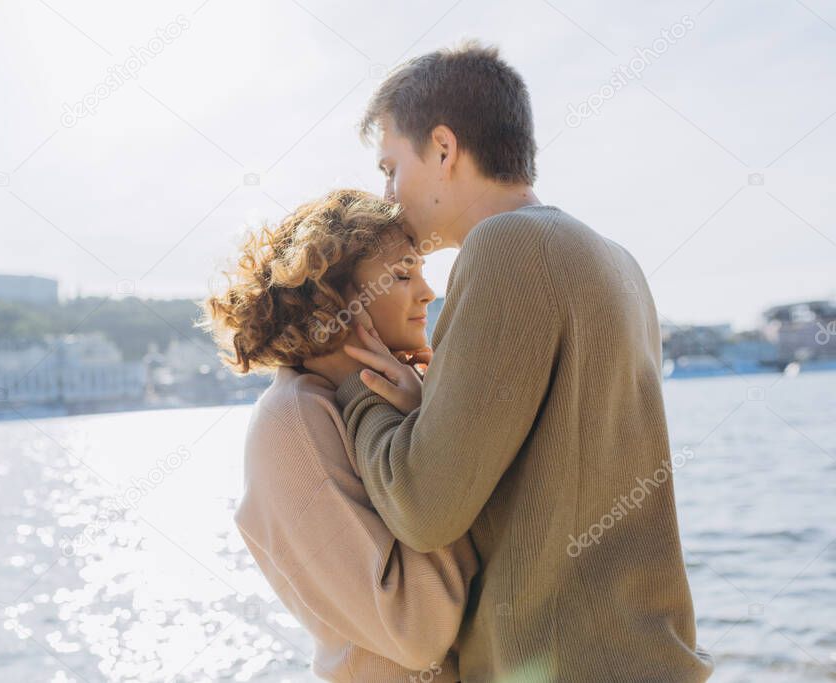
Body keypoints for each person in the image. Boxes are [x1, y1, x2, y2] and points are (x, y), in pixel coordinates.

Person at [305, 42, 716, 682]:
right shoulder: (614, 258)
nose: (387, 196)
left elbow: (423, 508)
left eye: (391, 168)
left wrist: (353, 387)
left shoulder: (508, 245)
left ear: (443, 149)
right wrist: (427, 409)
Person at [201, 189, 479, 682]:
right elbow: (417, 630)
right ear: (337, 298)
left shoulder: (342, 399)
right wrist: (400, 413)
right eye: (401, 274)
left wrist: (417, 411)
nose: (428, 292)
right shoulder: (294, 421)